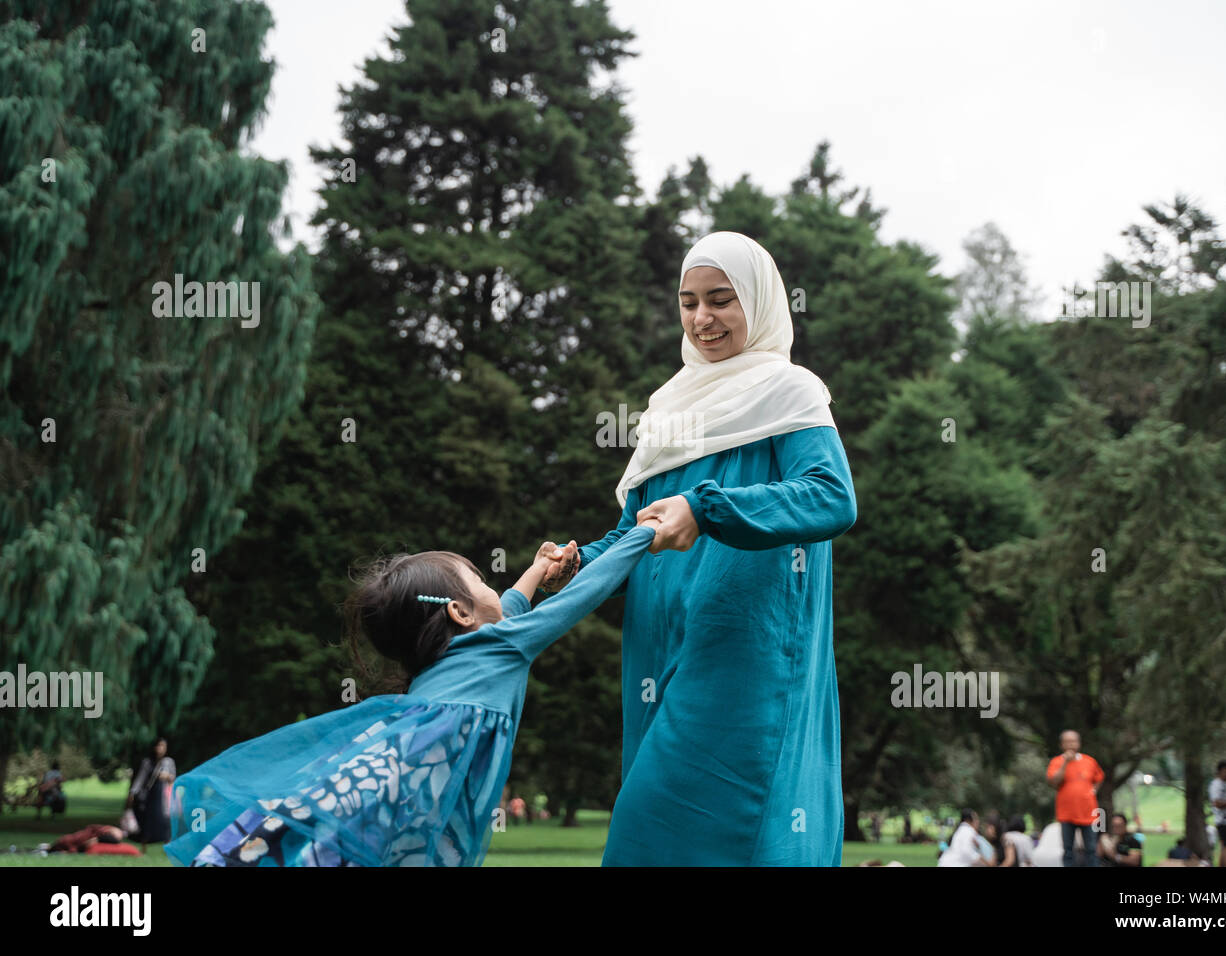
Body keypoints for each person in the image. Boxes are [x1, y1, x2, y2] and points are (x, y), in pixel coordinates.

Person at [537, 231, 856, 866]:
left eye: (721, 300)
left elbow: (830, 497)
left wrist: (707, 510)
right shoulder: (669, 409)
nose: (702, 318)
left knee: (714, 827)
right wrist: (578, 564)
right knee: (648, 834)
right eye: (689, 303)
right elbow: (637, 533)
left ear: (759, 304)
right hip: (658, 645)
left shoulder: (790, 392)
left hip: (744, 653)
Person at [165, 524, 658, 867]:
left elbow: (507, 607)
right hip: (418, 779)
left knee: (339, 840)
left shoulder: (465, 650)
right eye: (480, 581)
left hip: (401, 776)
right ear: (460, 615)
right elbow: (581, 595)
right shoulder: (502, 647)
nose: (494, 588)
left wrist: (537, 570)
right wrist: (644, 536)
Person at [1045, 729, 1105, 866]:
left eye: (1073, 741)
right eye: (1067, 742)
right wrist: (1065, 763)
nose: (1071, 745)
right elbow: (1053, 782)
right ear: (1061, 745)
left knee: (1091, 849)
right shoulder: (1056, 762)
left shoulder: (1089, 761)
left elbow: (1099, 777)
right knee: (1068, 850)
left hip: (1089, 813)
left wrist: (1094, 790)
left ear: (1079, 743)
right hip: (1066, 814)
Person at [128, 737, 176, 844]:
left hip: (162, 794)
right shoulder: (147, 762)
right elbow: (140, 779)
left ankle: (166, 842)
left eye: (162, 746)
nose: (160, 748)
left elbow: (173, 778)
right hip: (149, 795)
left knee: (164, 818)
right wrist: (133, 792)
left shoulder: (168, 762)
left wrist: (167, 776)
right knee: (147, 819)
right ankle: (145, 842)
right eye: (158, 746)